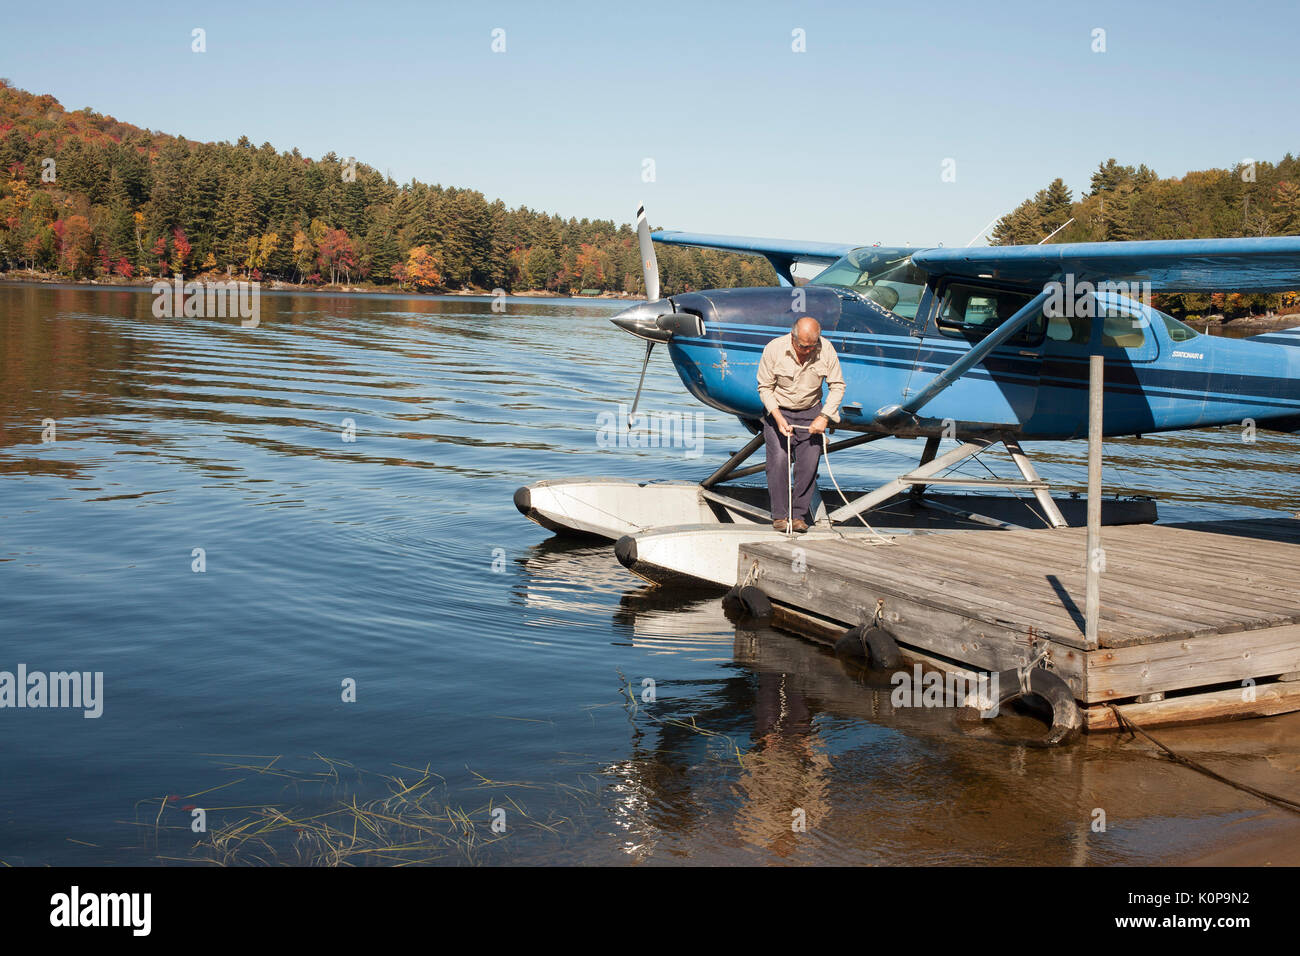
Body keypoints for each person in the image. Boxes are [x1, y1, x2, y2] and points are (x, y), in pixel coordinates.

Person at [756, 316, 845, 533]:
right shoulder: (774, 348)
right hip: (779, 410)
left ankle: (798, 516)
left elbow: (838, 386)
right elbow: (765, 387)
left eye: (812, 346)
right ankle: (779, 516)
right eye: (804, 347)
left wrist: (824, 417)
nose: (807, 351)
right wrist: (778, 418)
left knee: (808, 464)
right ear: (793, 337)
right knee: (778, 460)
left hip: (811, 412)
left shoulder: (826, 349)